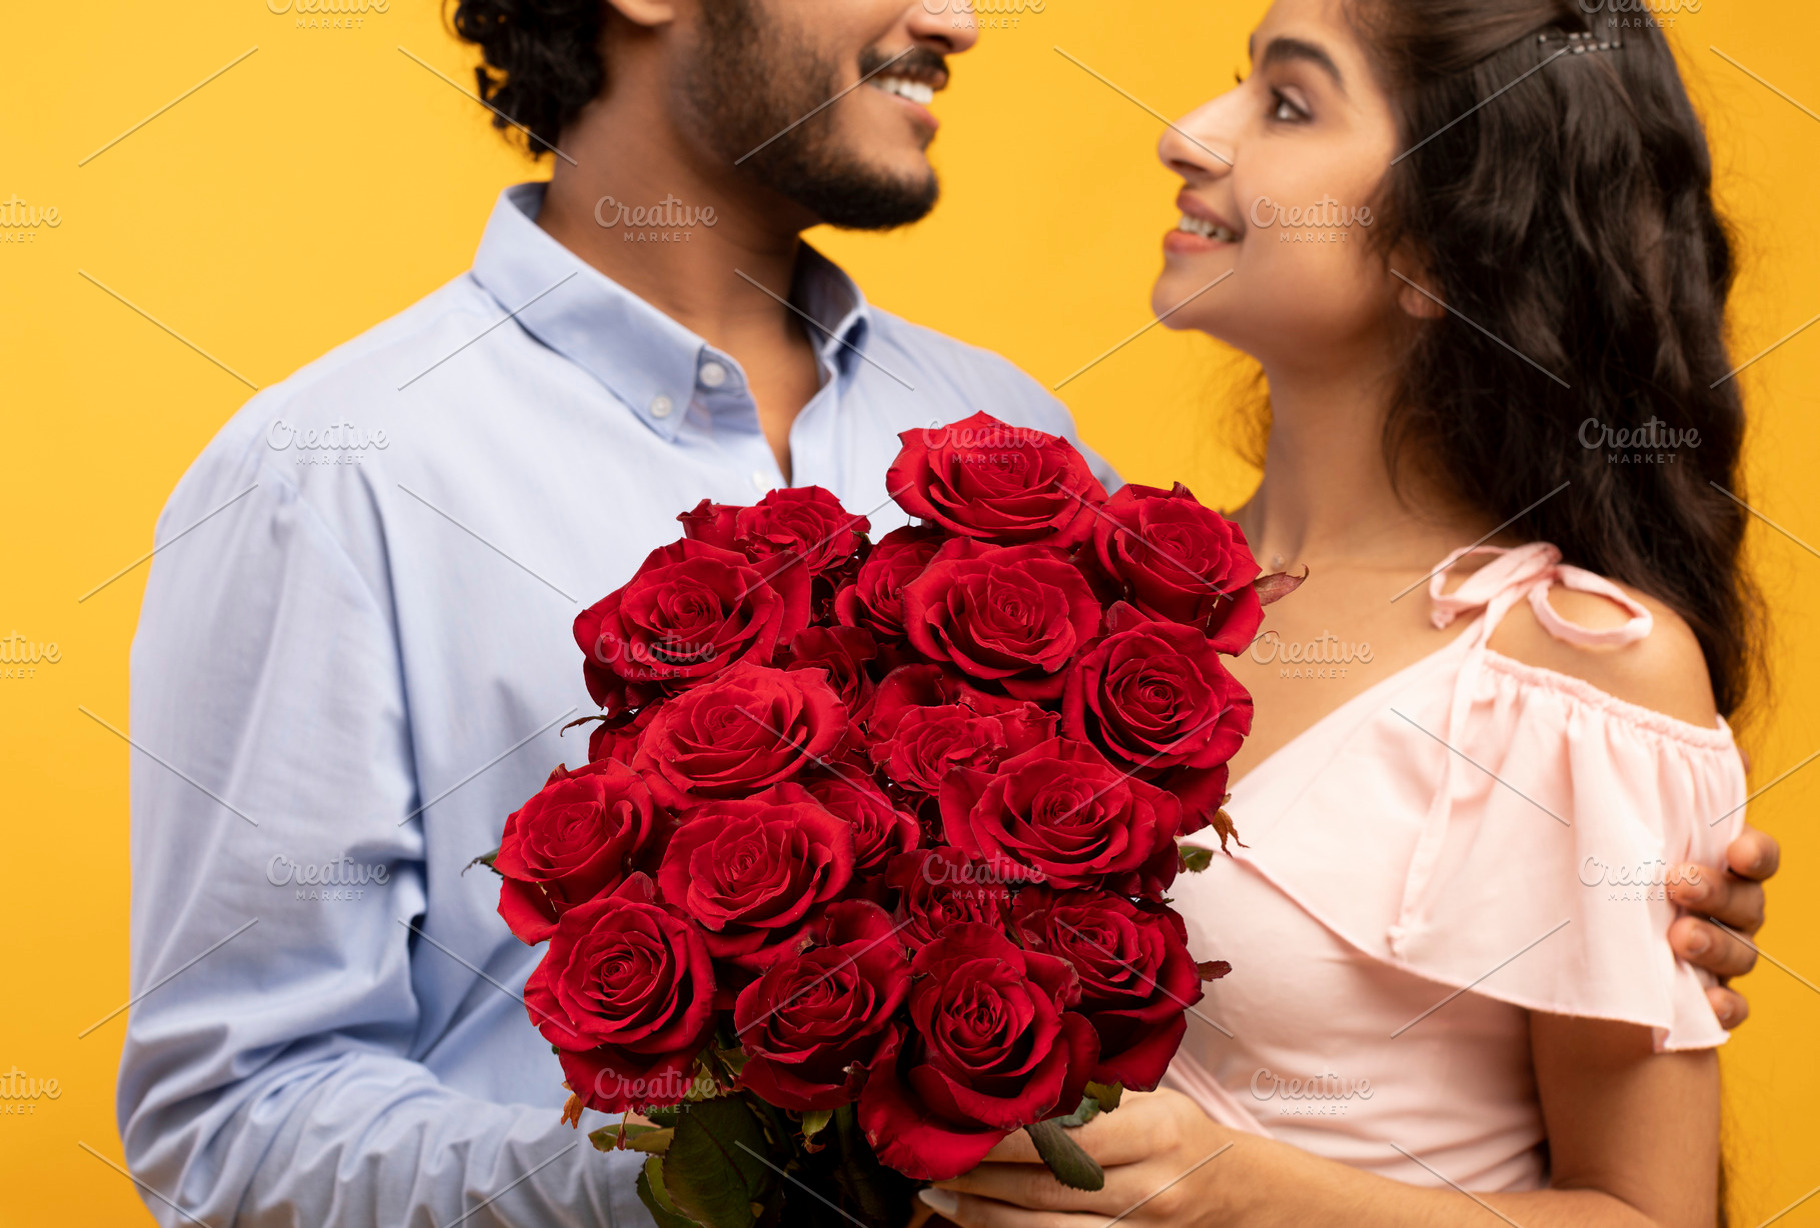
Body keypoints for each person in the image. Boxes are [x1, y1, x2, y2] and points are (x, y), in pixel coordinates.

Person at [116, 3, 1773, 1228]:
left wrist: (1611, 901)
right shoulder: (335, 472)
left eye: (1282, 100)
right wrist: (730, 1171)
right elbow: (230, 1121)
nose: (962, 19)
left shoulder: (1023, 455)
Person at [913, 2, 1779, 1226]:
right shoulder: (1085, 597)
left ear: (1438, 247)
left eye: (1285, 103)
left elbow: (1645, 1215)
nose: (1183, 134)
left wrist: (1228, 1190)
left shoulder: (1571, 667)